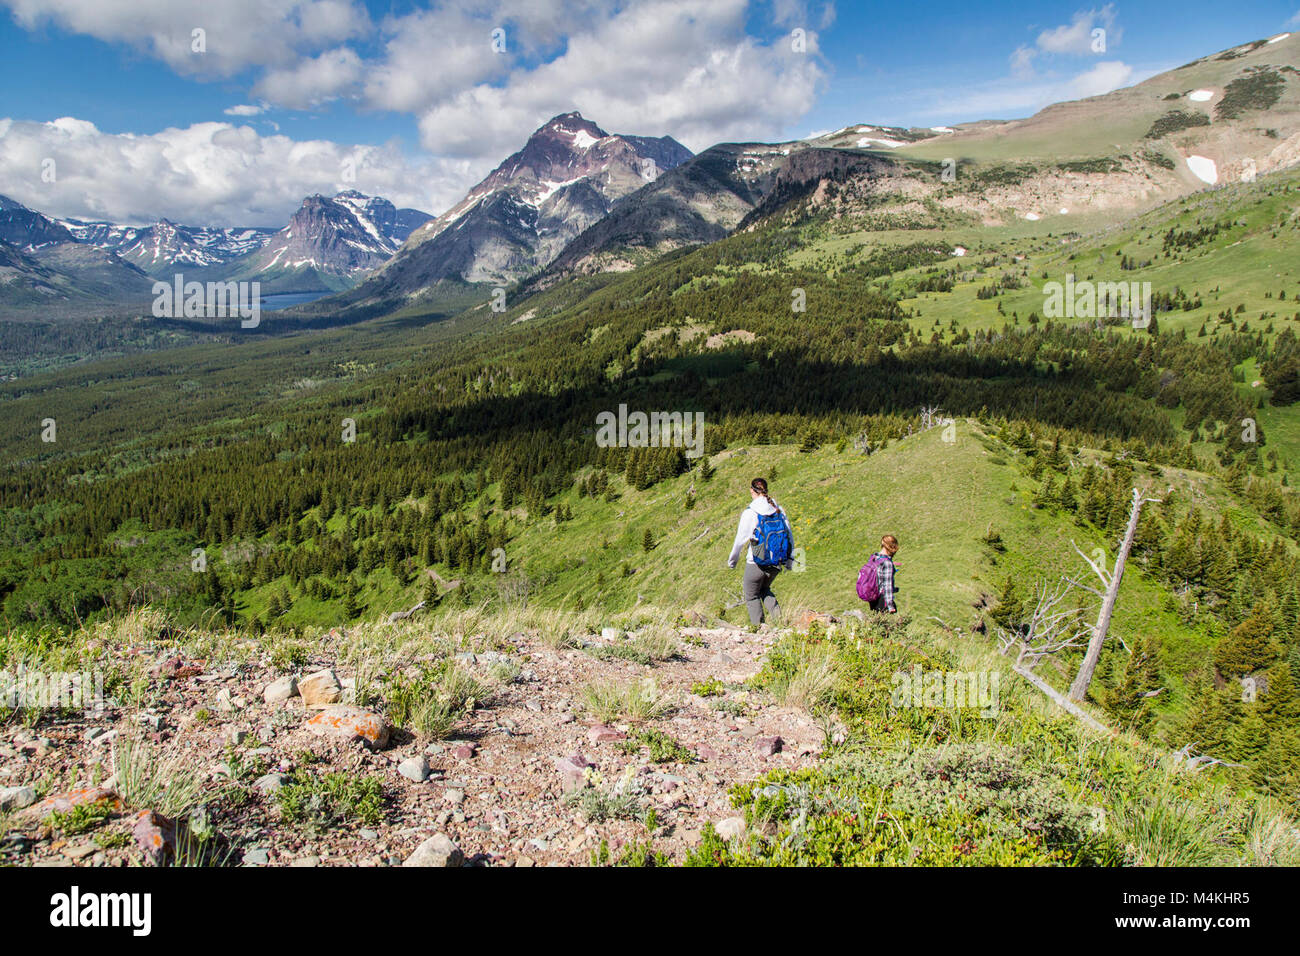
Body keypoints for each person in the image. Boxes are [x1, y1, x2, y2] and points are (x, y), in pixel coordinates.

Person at [727, 477, 794, 625]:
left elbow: (740, 539)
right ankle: (780, 622)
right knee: (764, 589)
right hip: (777, 561)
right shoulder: (778, 509)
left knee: (751, 595)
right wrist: (790, 560)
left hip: (756, 561)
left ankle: (758, 629)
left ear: (752, 490)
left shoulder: (751, 512)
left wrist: (733, 561)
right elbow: (789, 535)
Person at [869, 534, 900, 613]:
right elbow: (887, 585)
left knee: (876, 621)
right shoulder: (887, 563)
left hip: (872, 596)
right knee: (885, 623)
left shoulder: (874, 557)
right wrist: (890, 605)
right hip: (882, 599)